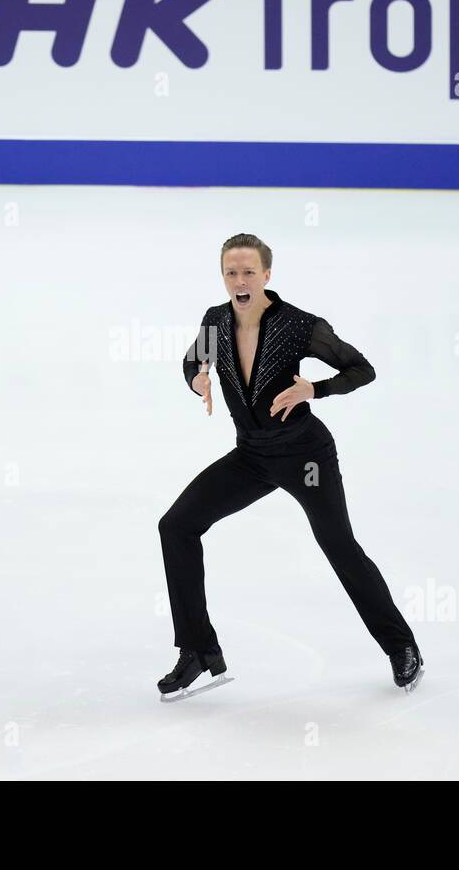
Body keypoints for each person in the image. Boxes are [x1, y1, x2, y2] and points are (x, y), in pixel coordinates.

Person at [157, 234, 424, 699]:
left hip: (305, 458)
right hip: (252, 456)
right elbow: (190, 361)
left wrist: (314, 390)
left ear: (266, 275)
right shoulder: (215, 321)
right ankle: (199, 650)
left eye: (248, 272)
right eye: (230, 273)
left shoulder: (299, 325)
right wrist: (196, 378)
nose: (239, 281)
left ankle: (402, 647)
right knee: (176, 525)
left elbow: (362, 369)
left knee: (338, 545)